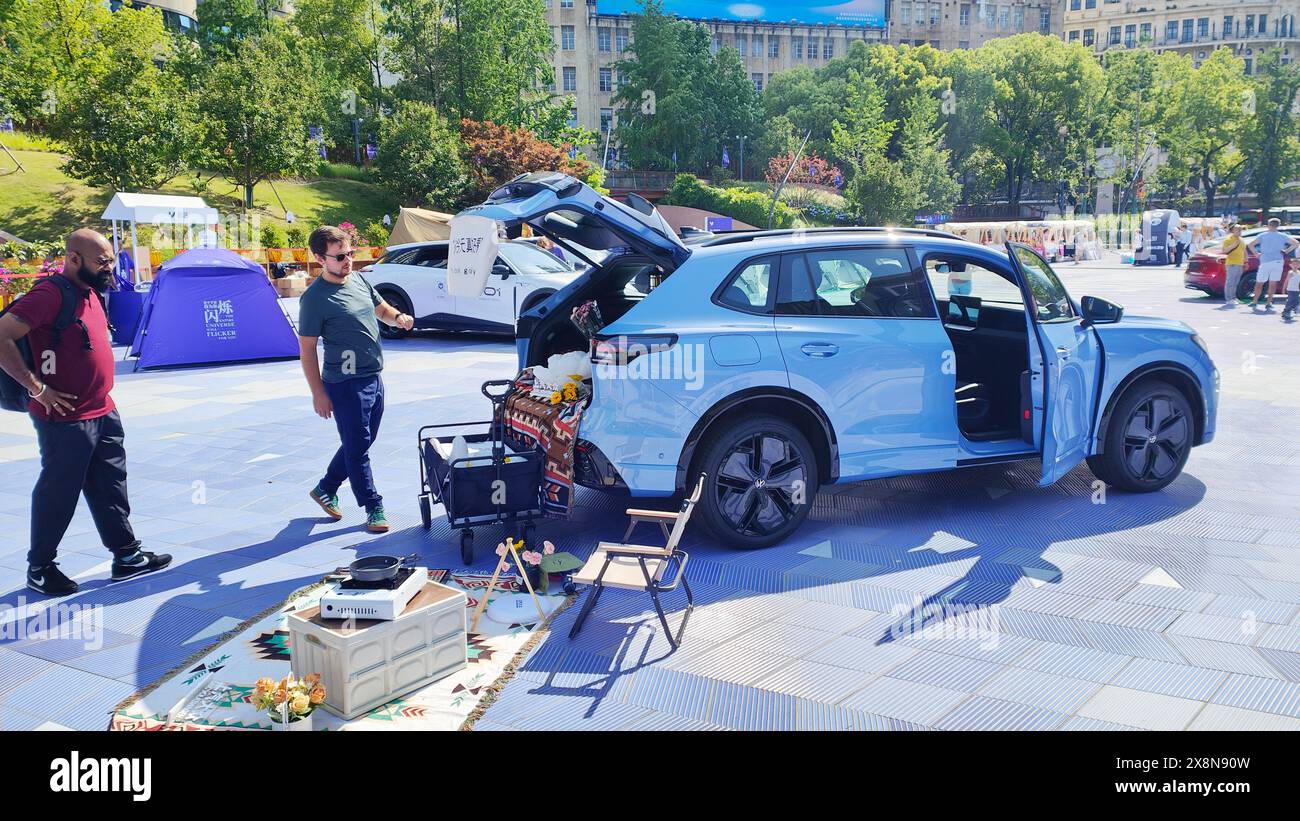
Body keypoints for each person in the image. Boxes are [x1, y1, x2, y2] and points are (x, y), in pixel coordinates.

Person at [0, 229, 171, 596]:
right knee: (59, 491)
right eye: (102, 261)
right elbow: (2, 335)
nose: (109, 267)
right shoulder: (50, 294)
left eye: (111, 260)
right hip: (64, 416)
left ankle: (127, 555)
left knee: (110, 485)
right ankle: (40, 568)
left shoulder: (92, 290)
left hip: (102, 408)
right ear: (74, 259)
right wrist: (37, 388)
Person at [298, 225, 413, 533]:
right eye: (339, 257)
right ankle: (373, 506)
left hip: (373, 376)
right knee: (358, 446)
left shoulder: (359, 280)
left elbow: (382, 310)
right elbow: (307, 350)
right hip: (345, 383)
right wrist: (318, 393)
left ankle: (326, 487)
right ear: (320, 258)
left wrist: (398, 318)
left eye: (350, 253)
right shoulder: (314, 299)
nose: (347, 260)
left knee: (362, 440)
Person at [1246, 219, 1299, 311]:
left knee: (1259, 282)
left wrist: (1256, 254)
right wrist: (1286, 251)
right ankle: (1269, 303)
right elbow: (1296, 243)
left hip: (1265, 261)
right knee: (1273, 283)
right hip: (1278, 261)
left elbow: (1251, 245)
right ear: (1278, 225)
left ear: (1268, 225)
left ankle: (1254, 301)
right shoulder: (1283, 236)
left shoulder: (1263, 235)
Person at [1220, 224, 1247, 308]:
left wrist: (1246, 261)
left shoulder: (1241, 239)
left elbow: (1244, 251)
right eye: (1237, 229)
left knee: (1236, 282)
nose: (1239, 231)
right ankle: (1229, 299)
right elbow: (1224, 251)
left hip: (1240, 263)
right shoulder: (1228, 240)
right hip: (1232, 263)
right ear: (1233, 230)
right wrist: (1233, 245)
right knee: (1230, 282)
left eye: (1240, 230)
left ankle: (1234, 298)